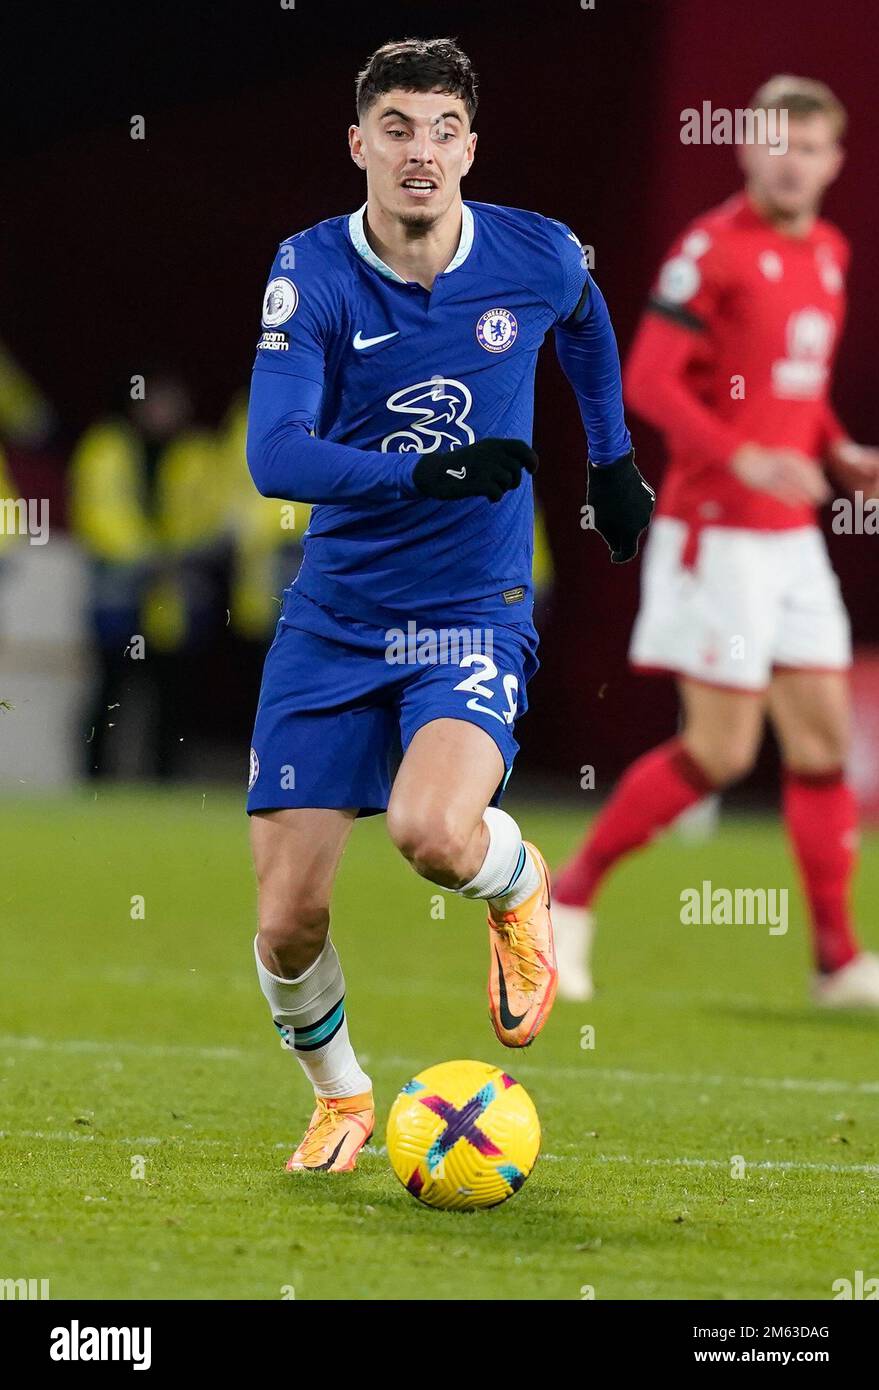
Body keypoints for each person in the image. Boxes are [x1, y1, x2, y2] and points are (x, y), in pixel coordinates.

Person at [244, 37, 653, 1173]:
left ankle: (521, 886)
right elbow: (273, 455)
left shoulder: (530, 251)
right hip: (334, 618)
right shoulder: (313, 271)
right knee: (288, 921)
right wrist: (415, 473)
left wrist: (610, 461)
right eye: (397, 129)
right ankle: (340, 1097)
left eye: (441, 131)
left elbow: (584, 311)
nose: (419, 153)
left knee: (433, 833)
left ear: (470, 147)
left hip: (472, 609)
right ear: (359, 144)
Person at [553, 76, 879, 1008]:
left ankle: (834, 960)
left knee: (819, 748)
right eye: (776, 142)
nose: (791, 160)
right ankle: (568, 900)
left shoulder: (828, 250)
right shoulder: (711, 249)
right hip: (716, 533)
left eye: (810, 146)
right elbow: (651, 381)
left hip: (791, 538)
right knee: (724, 753)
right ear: (747, 148)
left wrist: (831, 448)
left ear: (833, 160)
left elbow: (796, 386)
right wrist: (743, 459)